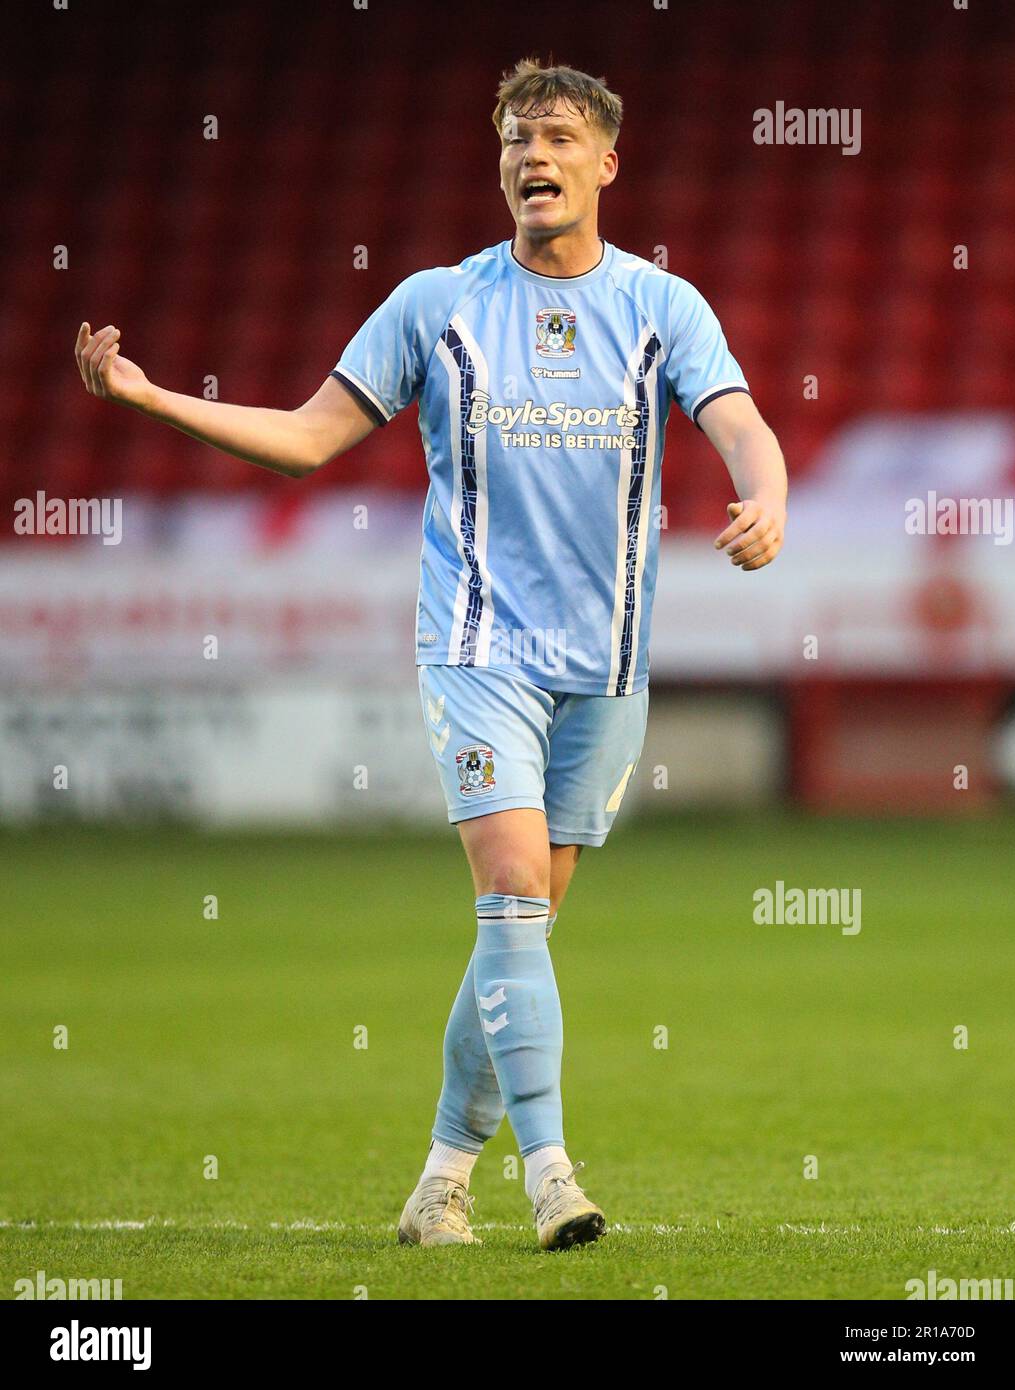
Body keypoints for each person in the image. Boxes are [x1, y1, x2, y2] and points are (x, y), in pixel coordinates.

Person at [74, 56, 787, 1252]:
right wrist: (153, 399)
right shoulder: (434, 303)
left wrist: (763, 494)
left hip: (605, 669)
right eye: (515, 139)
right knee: (509, 896)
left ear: (606, 163)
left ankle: (438, 1182)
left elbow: (739, 423)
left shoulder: (664, 307)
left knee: (519, 935)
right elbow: (307, 439)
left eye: (557, 138)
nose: (533, 158)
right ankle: (551, 1173)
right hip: (476, 651)